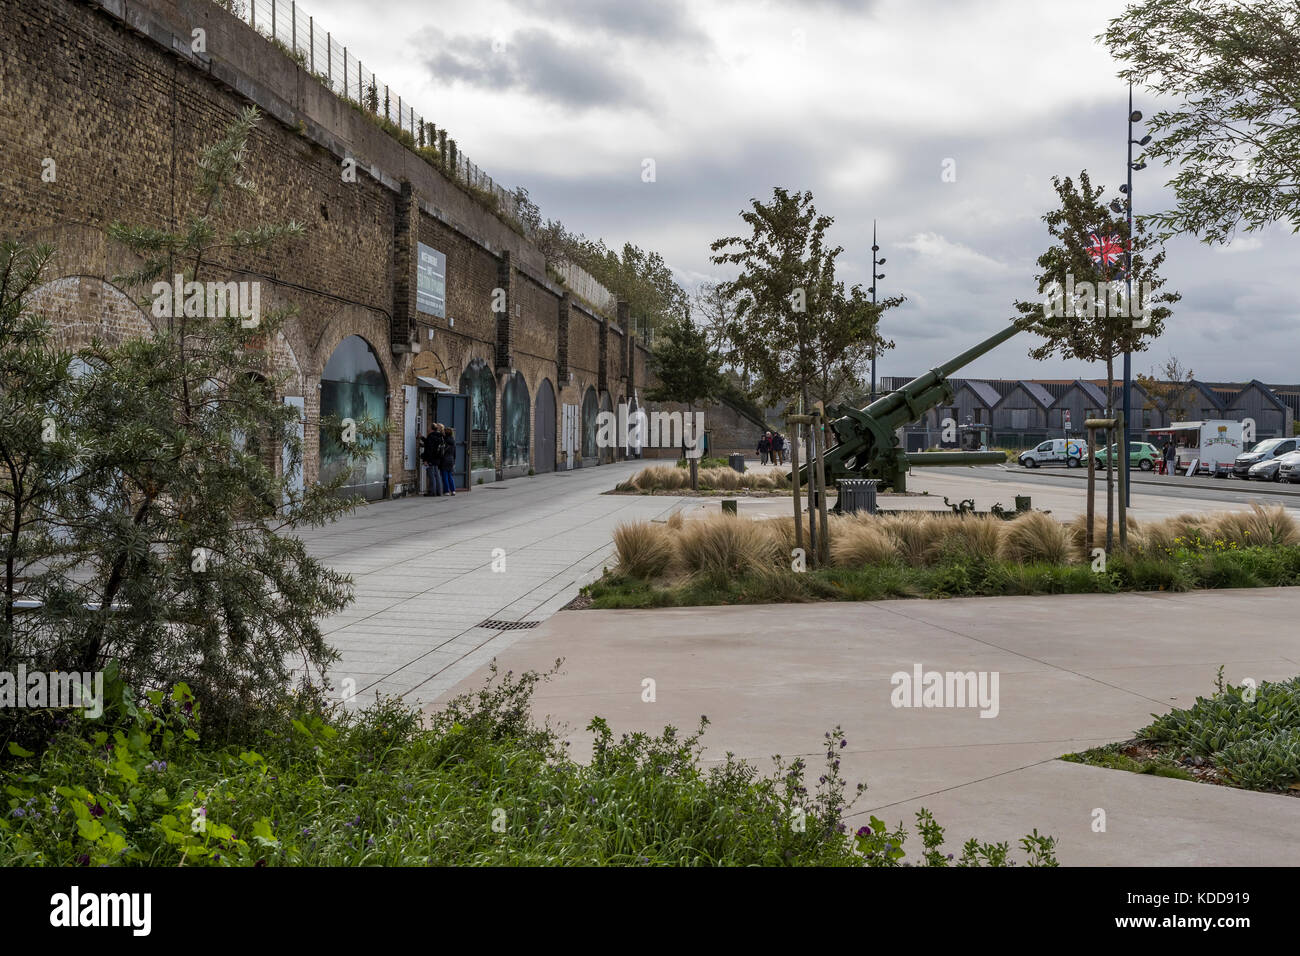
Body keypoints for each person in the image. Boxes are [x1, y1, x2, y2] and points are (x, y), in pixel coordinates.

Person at [421, 424, 443, 496]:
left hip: (431, 458)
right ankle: (439, 491)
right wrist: (422, 437)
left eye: (428, 427)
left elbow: (428, 449)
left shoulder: (431, 436)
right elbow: (428, 443)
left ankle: (432, 492)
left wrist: (426, 460)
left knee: (431, 475)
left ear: (431, 429)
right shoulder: (440, 436)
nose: (427, 429)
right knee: (437, 475)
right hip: (438, 458)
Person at [440, 425, 458, 496]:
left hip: (444, 460)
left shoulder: (445, 440)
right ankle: (453, 490)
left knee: (445, 476)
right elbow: (455, 453)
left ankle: (446, 491)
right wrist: (454, 461)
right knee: (450, 476)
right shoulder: (453, 441)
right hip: (451, 460)